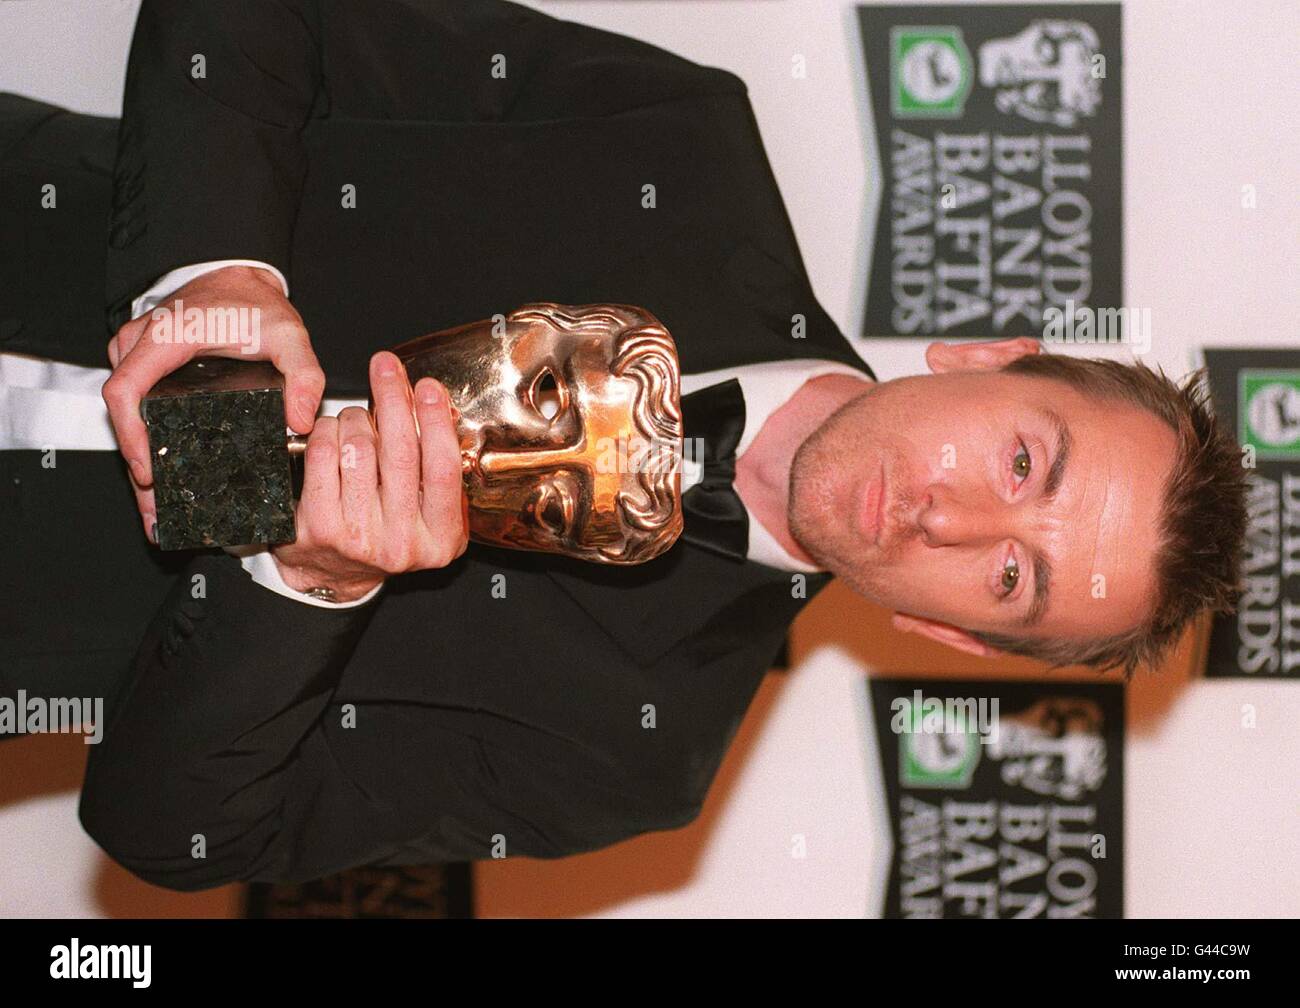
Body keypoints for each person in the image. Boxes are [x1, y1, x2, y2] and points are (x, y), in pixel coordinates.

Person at [0, 0, 1246, 891]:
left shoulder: (631, 755)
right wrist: (217, 268)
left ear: (953, 638)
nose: (952, 521)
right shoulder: (677, 140)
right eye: (1025, 465)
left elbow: (172, 838)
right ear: (990, 359)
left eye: (1011, 578)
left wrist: (309, 588)